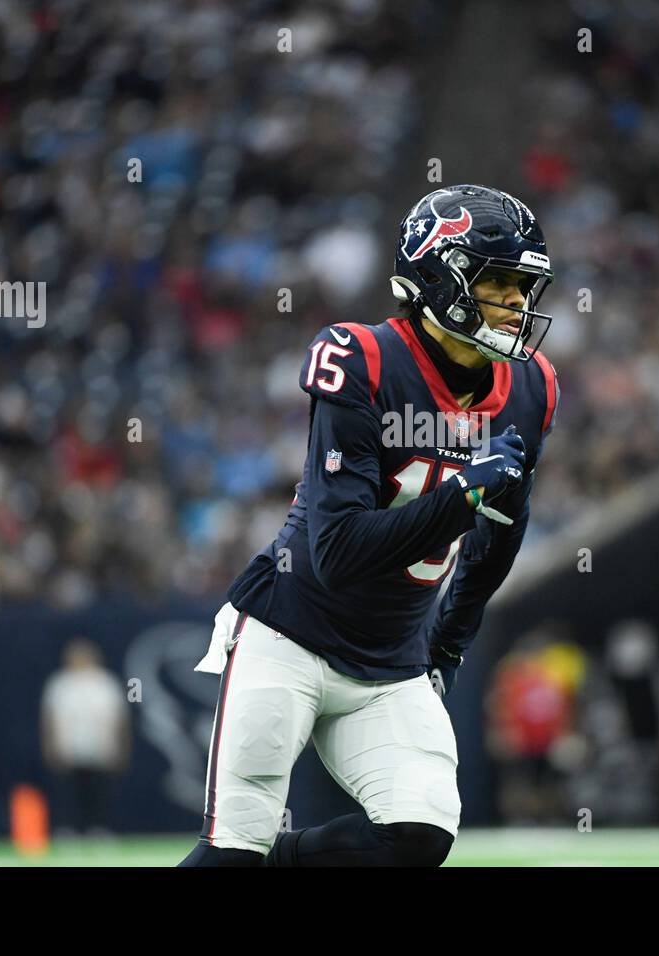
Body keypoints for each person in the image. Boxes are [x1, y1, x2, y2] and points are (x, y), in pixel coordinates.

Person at [179, 185, 560, 866]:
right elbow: (336, 552)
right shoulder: (363, 357)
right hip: (288, 633)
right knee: (234, 851)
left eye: (523, 286)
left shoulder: (531, 387)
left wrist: (450, 641)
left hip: (389, 660)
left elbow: (504, 526)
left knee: (420, 835)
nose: (515, 304)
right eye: (497, 282)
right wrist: (463, 498)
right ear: (435, 274)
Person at [40, 638, 131, 834]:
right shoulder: (60, 684)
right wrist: (51, 748)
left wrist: (120, 748)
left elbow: (119, 719)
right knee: (69, 794)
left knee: (99, 793)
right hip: (70, 749)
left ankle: (99, 829)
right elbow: (50, 719)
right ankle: (68, 830)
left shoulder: (105, 683)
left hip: (99, 750)